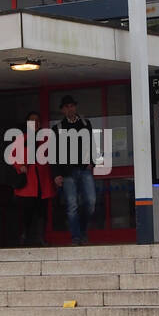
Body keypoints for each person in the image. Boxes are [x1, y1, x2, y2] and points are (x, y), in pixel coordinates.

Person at [51, 94, 97, 245]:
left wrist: (92, 162)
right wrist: (56, 174)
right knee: (72, 204)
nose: (70, 109)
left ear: (75, 107)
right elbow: (53, 153)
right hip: (67, 172)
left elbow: (92, 144)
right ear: (62, 110)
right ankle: (76, 237)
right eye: (67, 107)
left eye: (72, 106)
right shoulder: (57, 128)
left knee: (90, 202)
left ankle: (82, 231)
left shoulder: (85, 124)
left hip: (84, 169)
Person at [11, 111, 53, 246]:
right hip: (28, 182)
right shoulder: (21, 138)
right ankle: (25, 236)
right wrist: (19, 166)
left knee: (42, 212)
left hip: (43, 181)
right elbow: (12, 156)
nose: (34, 123)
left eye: (37, 121)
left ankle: (41, 237)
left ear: (40, 124)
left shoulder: (45, 139)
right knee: (26, 212)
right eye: (31, 120)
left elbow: (53, 157)